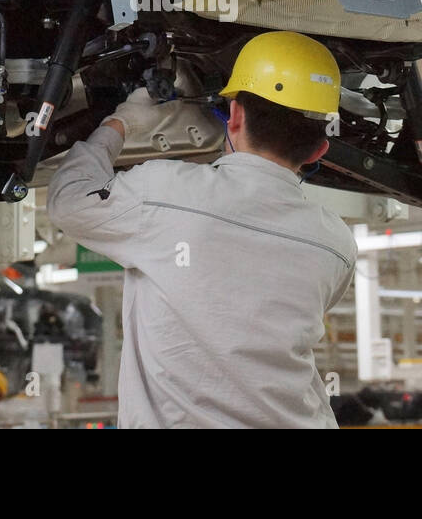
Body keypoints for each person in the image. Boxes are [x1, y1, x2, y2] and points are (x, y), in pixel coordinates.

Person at [47, 30, 356, 428]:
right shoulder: (336, 244)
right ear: (319, 150)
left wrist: (121, 123)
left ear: (237, 116)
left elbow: (70, 198)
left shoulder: (164, 192)